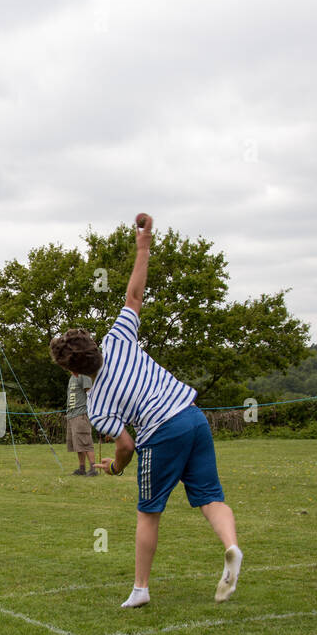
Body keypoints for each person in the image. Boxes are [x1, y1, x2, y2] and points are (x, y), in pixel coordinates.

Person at [48, 213, 242, 608]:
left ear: (72, 370)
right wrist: (143, 246)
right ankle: (232, 546)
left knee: (148, 512)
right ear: (93, 345)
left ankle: (140, 589)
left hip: (162, 433)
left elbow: (126, 444)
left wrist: (116, 468)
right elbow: (134, 295)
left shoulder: (96, 404)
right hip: (192, 416)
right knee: (209, 497)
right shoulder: (118, 338)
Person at [64, 370, 98, 475]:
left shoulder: (84, 375)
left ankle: (93, 468)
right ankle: (82, 468)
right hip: (72, 415)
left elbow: (90, 394)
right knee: (77, 444)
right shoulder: (72, 377)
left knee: (85, 441)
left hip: (81, 414)